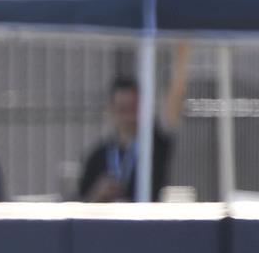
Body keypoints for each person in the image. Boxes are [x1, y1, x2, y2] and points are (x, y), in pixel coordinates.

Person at [77, 42, 192, 202]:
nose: (127, 114)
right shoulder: (98, 156)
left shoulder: (155, 143)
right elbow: (80, 206)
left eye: (132, 107)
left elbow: (175, 96)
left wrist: (182, 49)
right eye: (122, 108)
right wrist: (98, 193)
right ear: (110, 109)